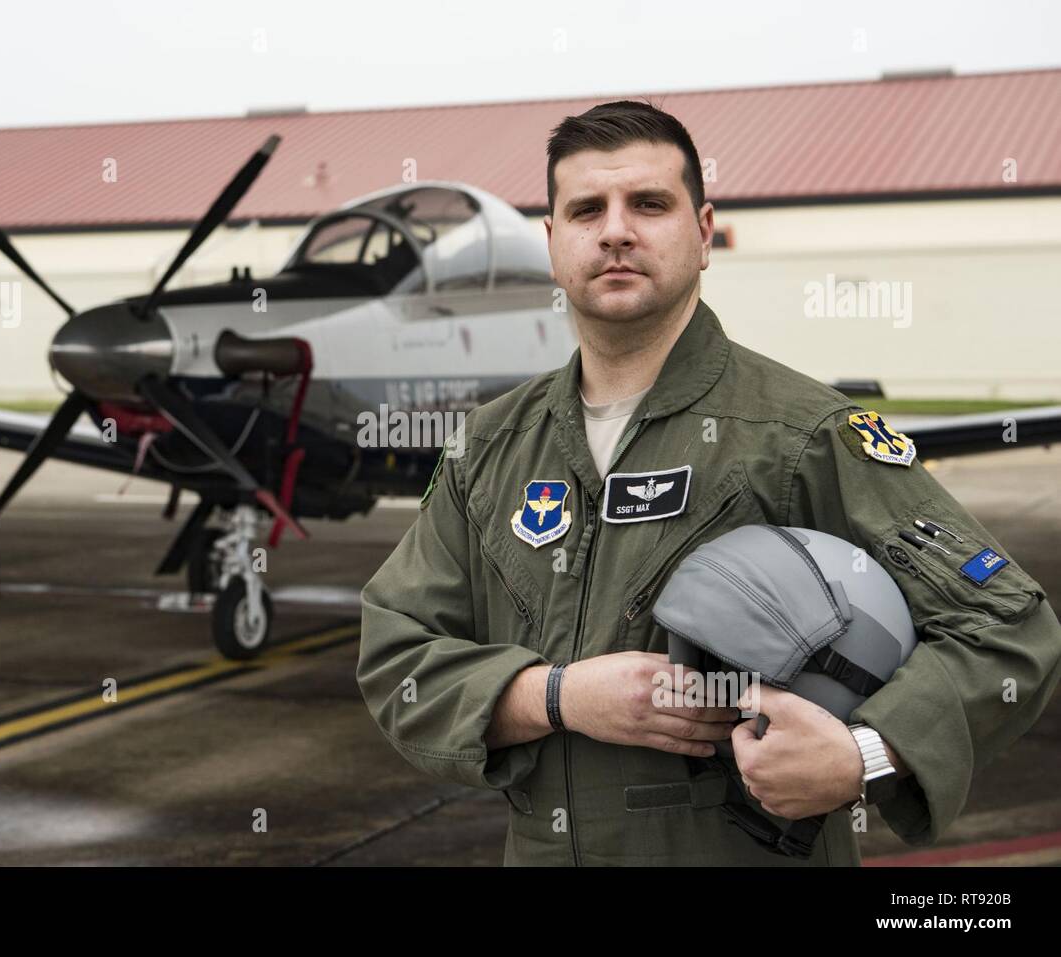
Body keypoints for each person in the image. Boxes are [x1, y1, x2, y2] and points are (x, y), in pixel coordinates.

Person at [356, 100, 1061, 865]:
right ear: (555, 246)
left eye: (649, 204)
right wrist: (556, 694)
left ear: (703, 232)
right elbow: (397, 655)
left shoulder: (802, 435)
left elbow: (1009, 629)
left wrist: (865, 750)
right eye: (587, 209)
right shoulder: (488, 448)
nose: (616, 230)